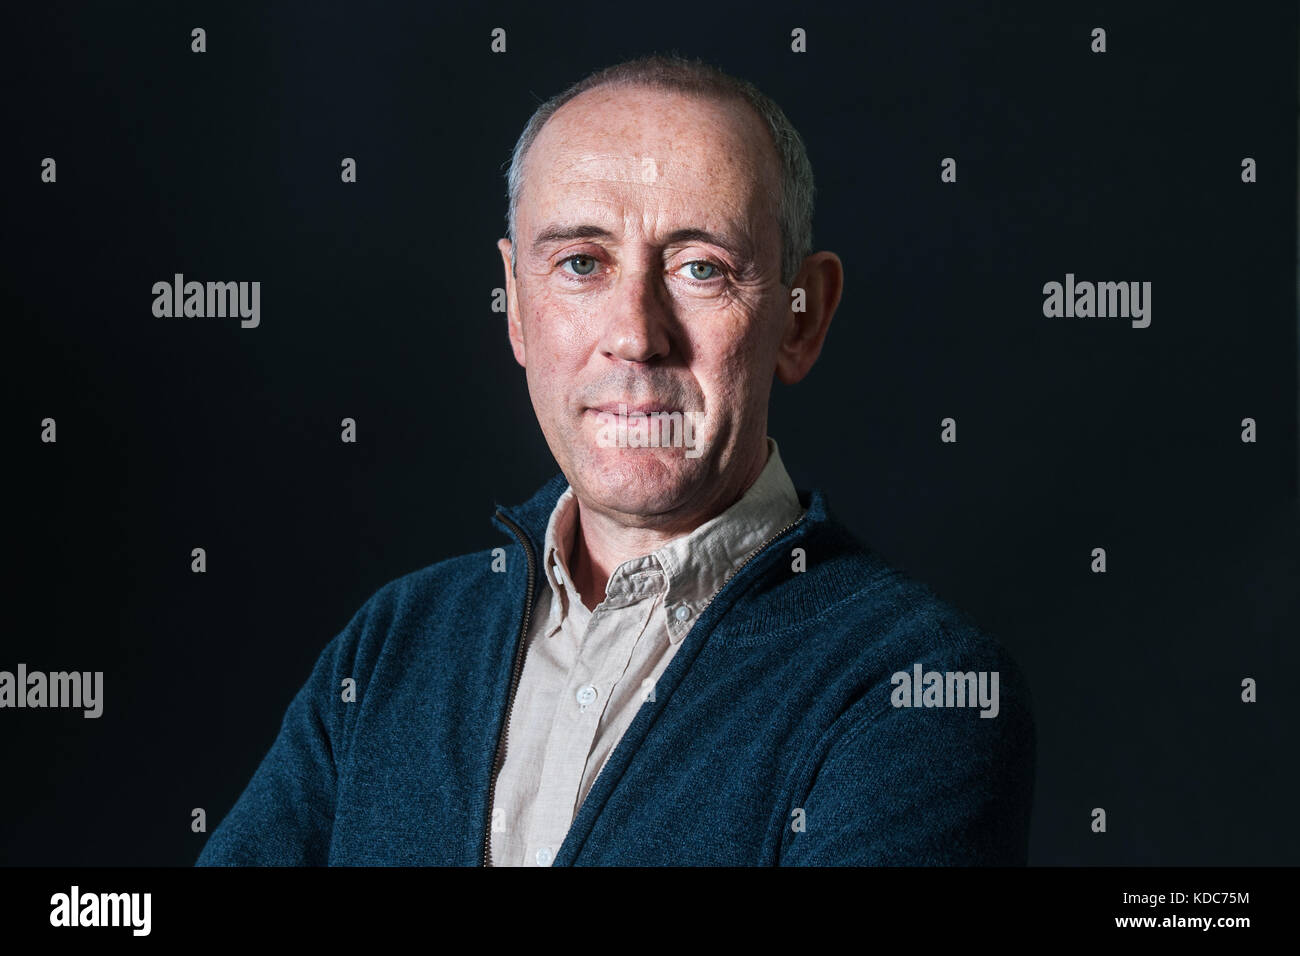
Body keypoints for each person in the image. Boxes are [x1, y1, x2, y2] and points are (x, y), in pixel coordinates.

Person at [196, 53, 1035, 867]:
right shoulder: (393, 645)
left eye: (702, 268)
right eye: (581, 264)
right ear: (517, 307)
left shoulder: (914, 686)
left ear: (802, 317)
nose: (636, 334)